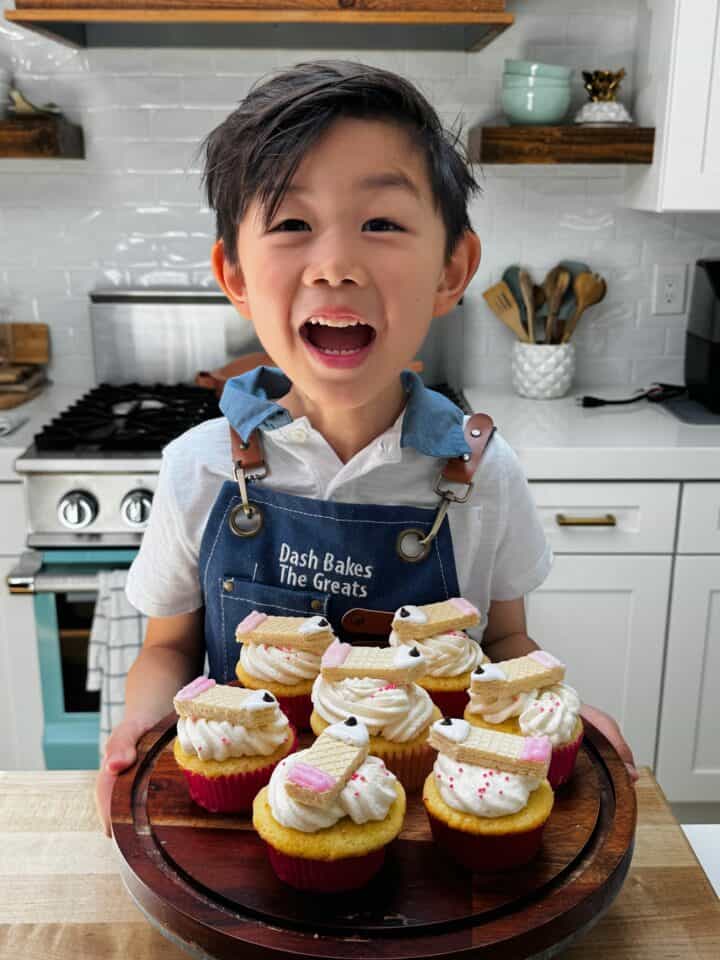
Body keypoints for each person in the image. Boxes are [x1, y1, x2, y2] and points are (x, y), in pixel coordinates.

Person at [95, 60, 637, 835]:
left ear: (452, 270)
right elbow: (167, 649)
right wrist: (140, 734)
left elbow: (507, 638)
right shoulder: (200, 466)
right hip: (241, 825)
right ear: (235, 274)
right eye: (290, 224)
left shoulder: (482, 473)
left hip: (435, 822)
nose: (337, 264)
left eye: (381, 223)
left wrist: (553, 712)